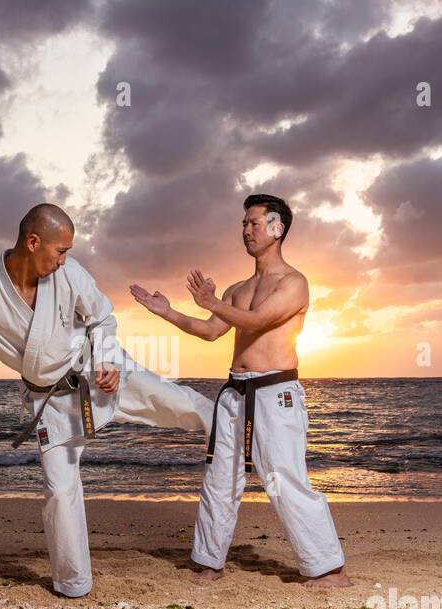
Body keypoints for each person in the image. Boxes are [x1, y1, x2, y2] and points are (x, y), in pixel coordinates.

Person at [0, 203, 213, 598]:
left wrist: (107, 360)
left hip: (96, 369)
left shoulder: (70, 274)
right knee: (60, 488)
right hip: (49, 401)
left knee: (177, 403)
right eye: (61, 250)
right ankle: (73, 583)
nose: (65, 259)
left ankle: (233, 427)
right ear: (32, 241)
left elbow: (102, 318)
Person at [130, 194, 351, 588]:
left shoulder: (294, 283)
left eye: (253, 223)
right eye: (243, 224)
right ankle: (209, 561)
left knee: (285, 477)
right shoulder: (239, 287)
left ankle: (328, 569)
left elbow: (256, 319)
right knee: (220, 478)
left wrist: (212, 301)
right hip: (234, 394)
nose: (245, 230)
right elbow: (212, 330)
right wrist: (169, 313)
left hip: (275, 393)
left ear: (276, 228)